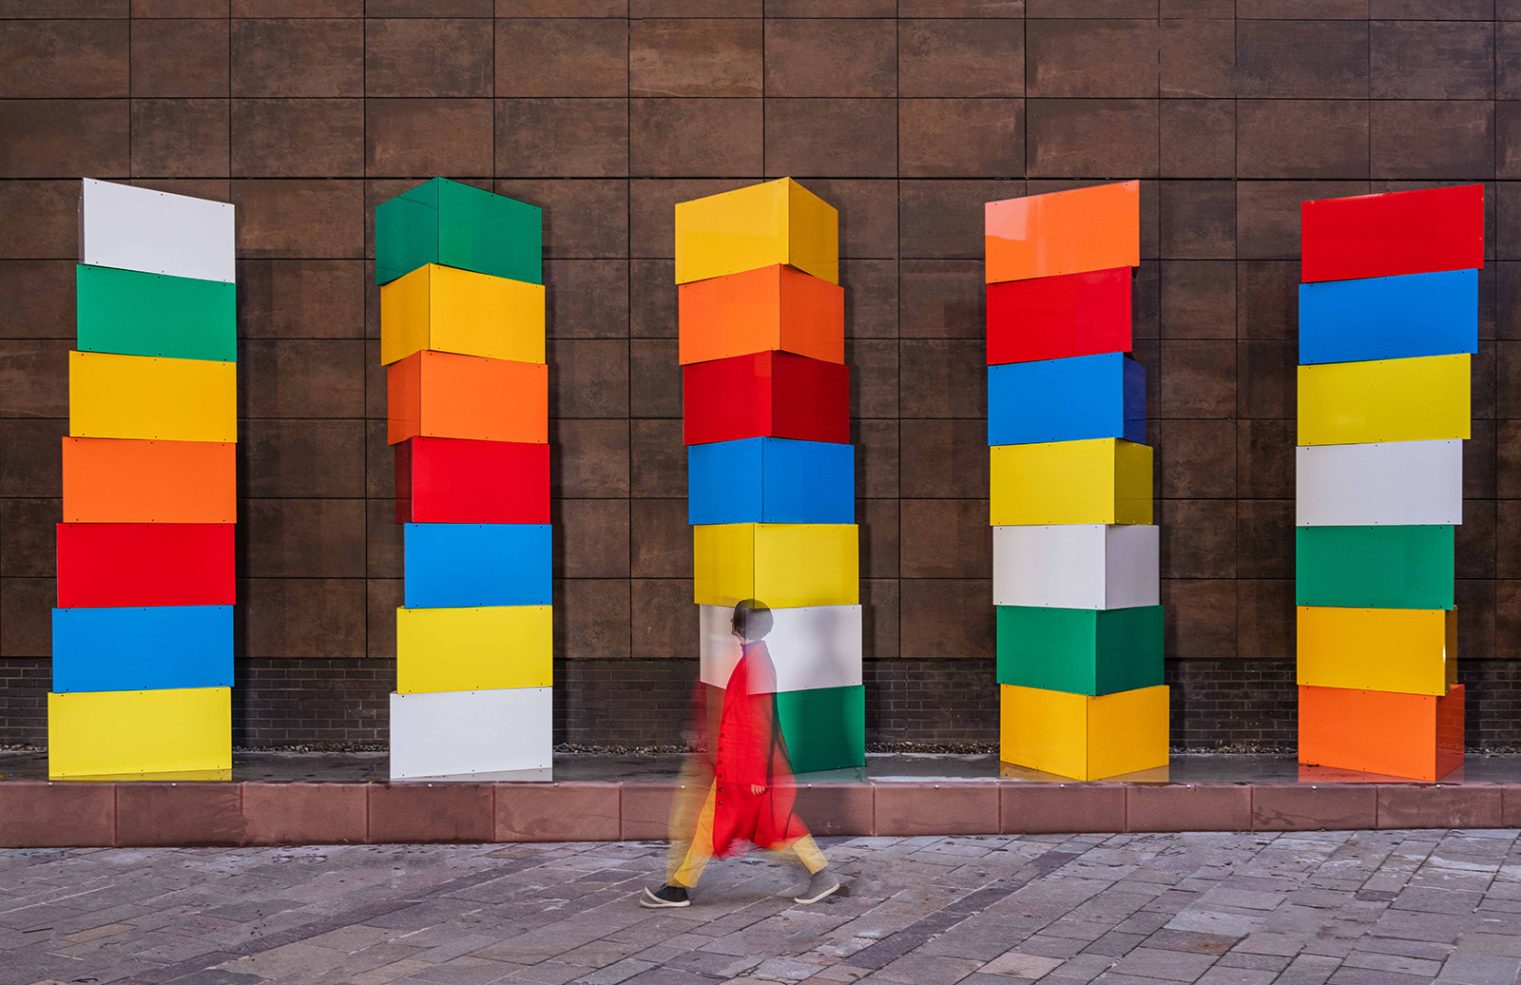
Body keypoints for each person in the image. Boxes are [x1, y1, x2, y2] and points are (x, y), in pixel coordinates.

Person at [641, 599, 843, 908]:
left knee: (731, 824)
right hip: (742, 768)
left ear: (735, 626)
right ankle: (679, 886)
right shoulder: (756, 660)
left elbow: (757, 725)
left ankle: (679, 887)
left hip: (743, 771)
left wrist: (754, 775)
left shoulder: (755, 665)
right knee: (760, 825)